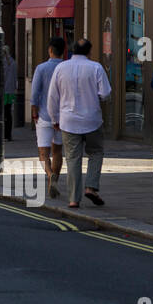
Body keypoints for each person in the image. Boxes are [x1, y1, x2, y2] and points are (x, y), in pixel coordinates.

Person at [46, 38, 111, 208]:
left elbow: (52, 97)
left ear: (72, 51)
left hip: (68, 121)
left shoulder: (61, 68)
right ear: (90, 51)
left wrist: (54, 119)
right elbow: (105, 93)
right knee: (95, 153)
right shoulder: (96, 67)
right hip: (92, 120)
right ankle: (90, 187)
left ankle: (74, 199)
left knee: (73, 158)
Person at [31, 37, 66, 199]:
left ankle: (50, 174)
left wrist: (34, 111)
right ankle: (55, 182)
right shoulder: (66, 68)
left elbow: (35, 92)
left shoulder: (41, 68)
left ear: (50, 50)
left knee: (43, 152)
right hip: (62, 117)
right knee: (58, 151)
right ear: (63, 51)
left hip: (44, 115)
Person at [2, 45, 18, 142]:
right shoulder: (13, 62)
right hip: (11, 91)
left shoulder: (1, 62)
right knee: (8, 113)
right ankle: (9, 135)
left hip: (3, 91)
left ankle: (3, 134)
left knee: (2, 113)